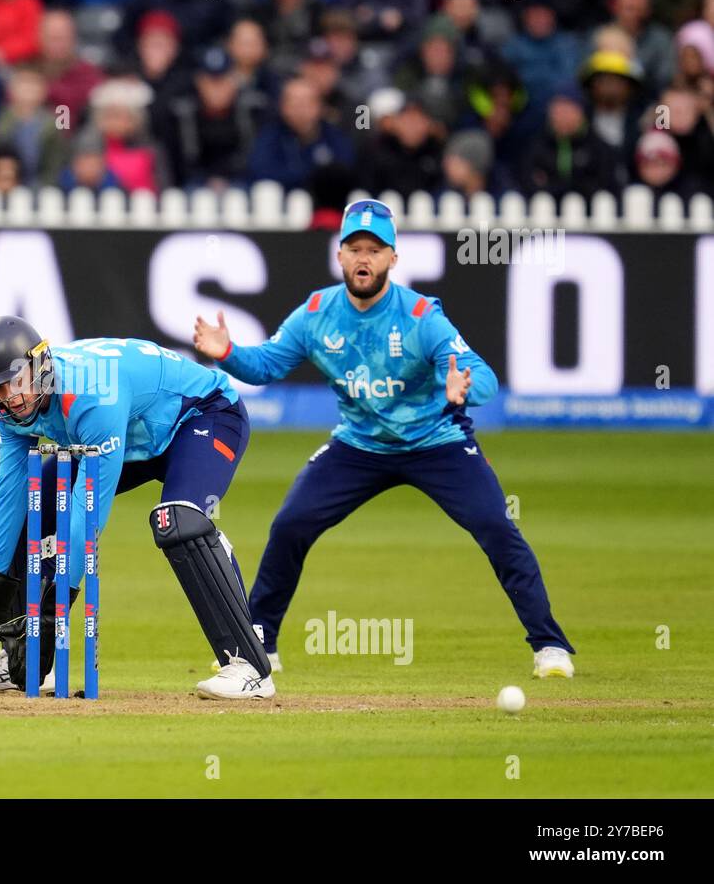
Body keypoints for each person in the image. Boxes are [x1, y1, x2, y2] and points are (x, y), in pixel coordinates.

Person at [191, 199, 577, 681]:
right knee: (291, 525)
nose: (363, 259)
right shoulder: (317, 312)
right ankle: (258, 645)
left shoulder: (420, 316)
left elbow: (484, 377)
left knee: (497, 528)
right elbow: (267, 365)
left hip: (437, 440)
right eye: (355, 248)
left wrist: (466, 389)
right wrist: (226, 352)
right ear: (340, 255)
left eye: (375, 249)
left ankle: (549, 645)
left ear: (393, 258)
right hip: (359, 445)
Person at [0, 317, 276, 699]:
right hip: (134, 438)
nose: (10, 398)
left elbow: (87, 509)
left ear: (40, 364)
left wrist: (56, 608)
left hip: (200, 417)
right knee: (33, 509)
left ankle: (250, 666)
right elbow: (9, 497)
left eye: (15, 380)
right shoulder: (9, 410)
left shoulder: (92, 393)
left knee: (178, 520)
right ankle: (21, 660)